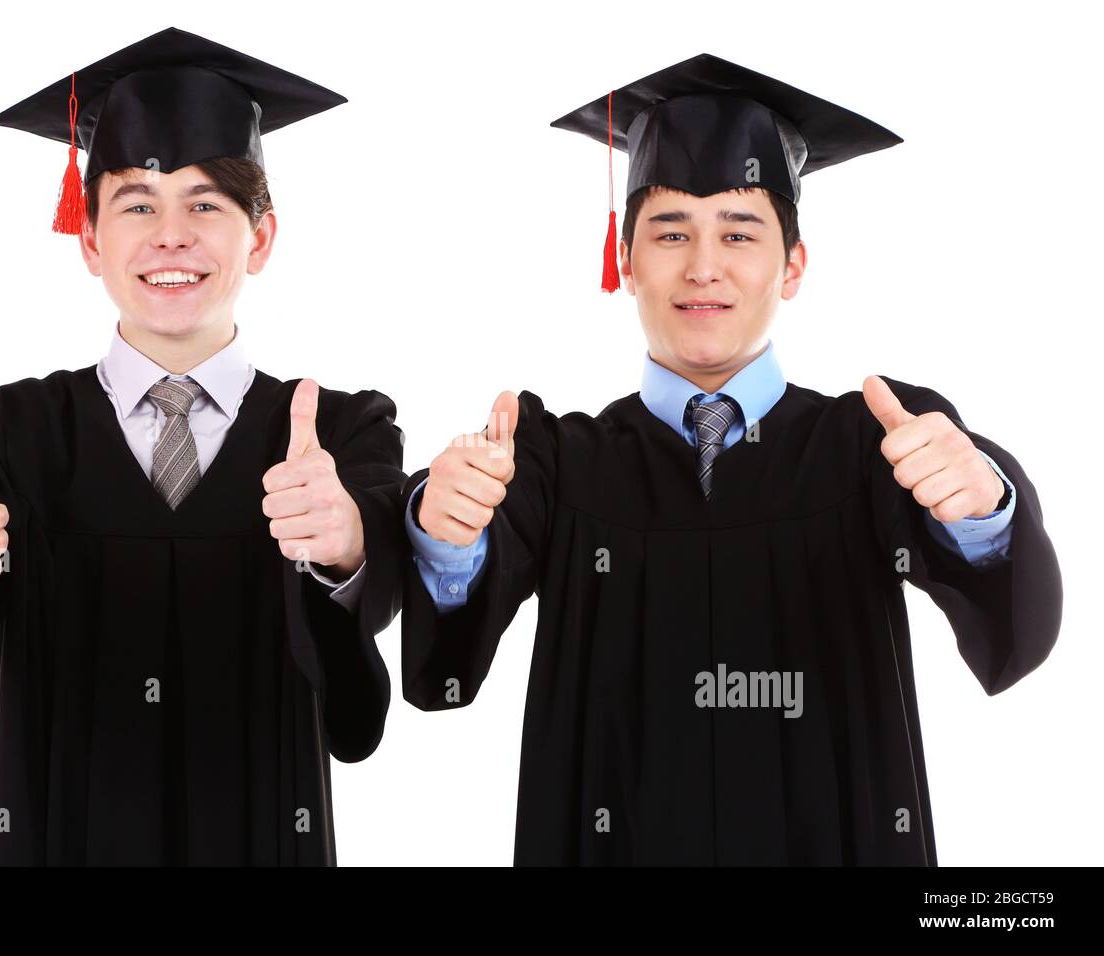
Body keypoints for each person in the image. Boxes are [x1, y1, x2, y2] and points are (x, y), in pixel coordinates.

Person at [400, 53, 1062, 865]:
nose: (701, 266)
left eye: (739, 234)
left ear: (792, 267)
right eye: (670, 232)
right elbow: (449, 650)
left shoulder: (873, 445)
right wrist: (447, 534)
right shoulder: (556, 464)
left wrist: (983, 514)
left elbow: (1016, 634)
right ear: (627, 260)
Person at [0, 27, 405, 866]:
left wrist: (345, 552)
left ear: (259, 239)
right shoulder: (4, 436)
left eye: (206, 205)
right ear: (90, 240)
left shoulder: (335, 435)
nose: (171, 236)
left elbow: (357, 725)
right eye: (138, 205)